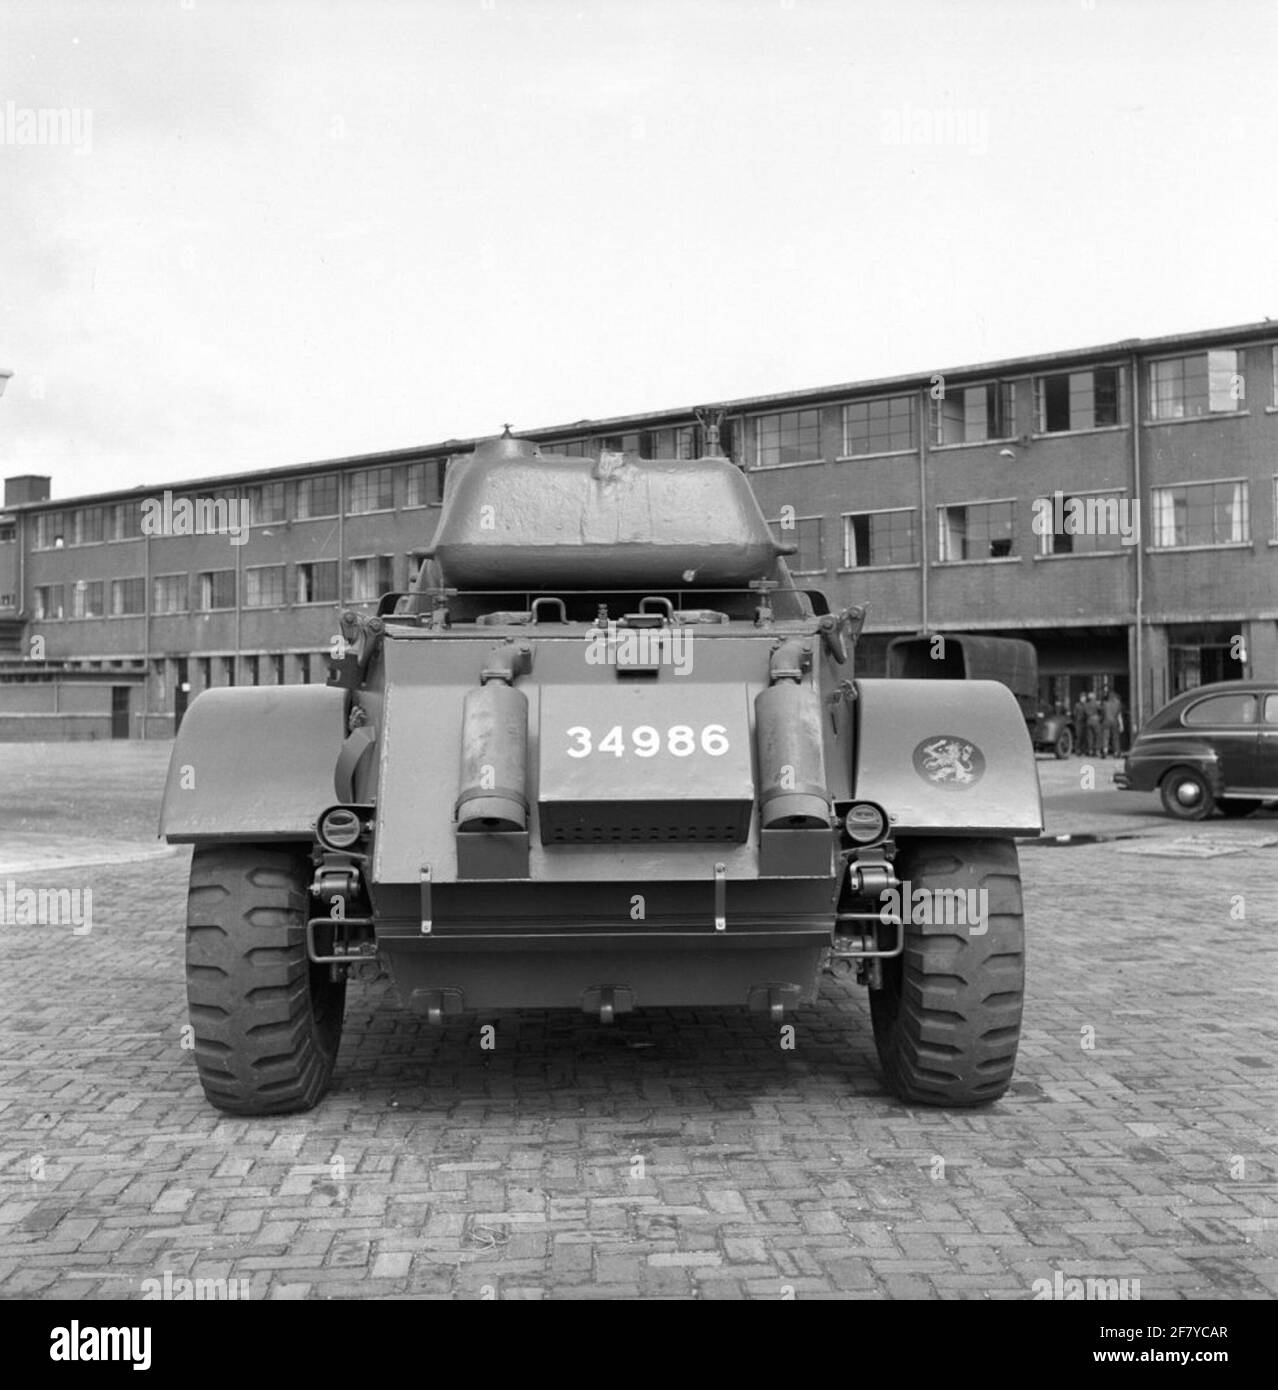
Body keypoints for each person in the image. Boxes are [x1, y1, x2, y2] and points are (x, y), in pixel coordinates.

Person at [1101, 689, 1124, 757]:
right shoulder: (1118, 704)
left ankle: (1105, 751)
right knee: (1115, 737)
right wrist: (1122, 725)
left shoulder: (1105, 704)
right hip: (1115, 722)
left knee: (1106, 737)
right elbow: (1119, 715)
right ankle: (1116, 752)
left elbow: (1103, 714)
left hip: (1106, 721)